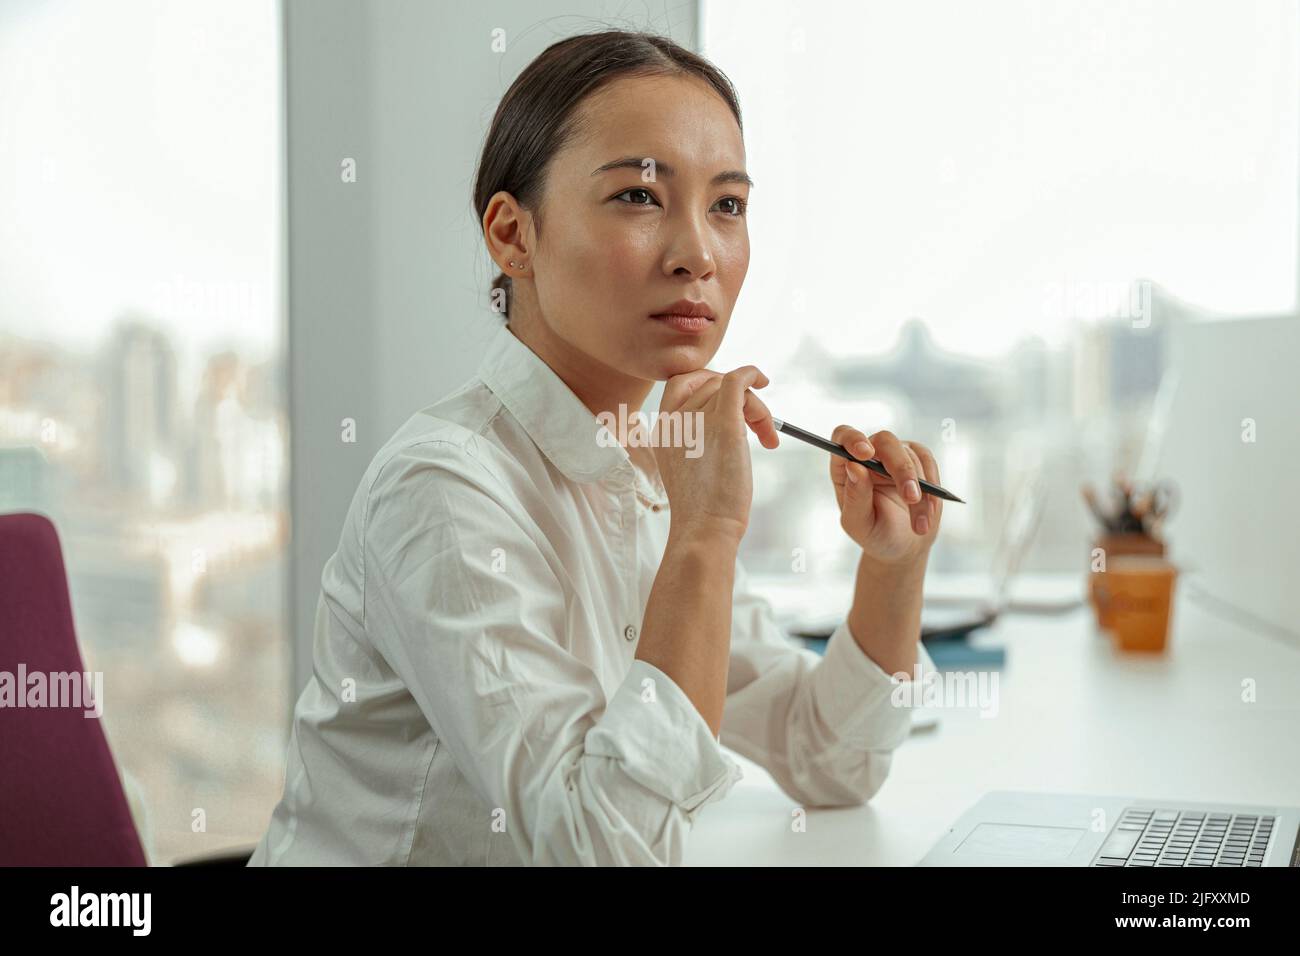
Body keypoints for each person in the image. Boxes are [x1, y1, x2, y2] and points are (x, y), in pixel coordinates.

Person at [249, 28, 941, 867]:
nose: (697, 255)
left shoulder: (652, 472)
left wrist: (893, 568)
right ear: (512, 236)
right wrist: (704, 537)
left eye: (727, 205)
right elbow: (595, 850)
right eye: (639, 198)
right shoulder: (444, 490)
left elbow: (829, 760)